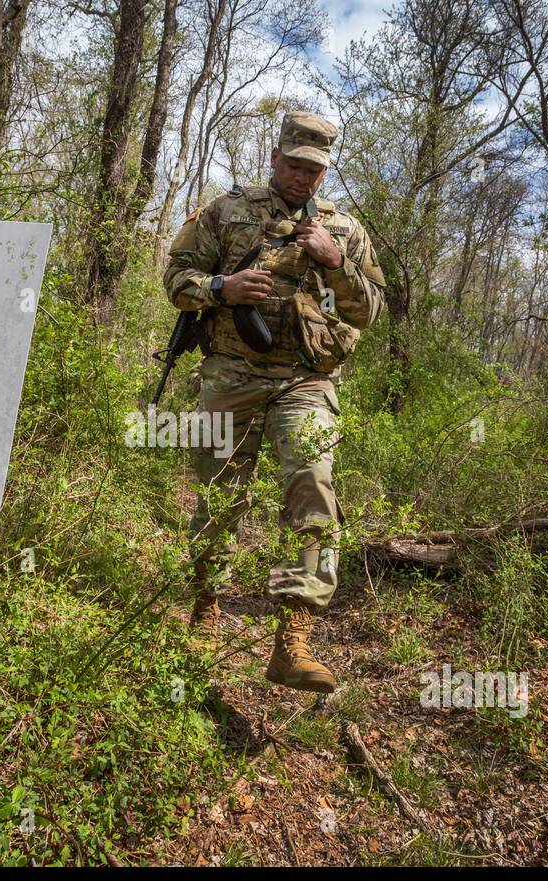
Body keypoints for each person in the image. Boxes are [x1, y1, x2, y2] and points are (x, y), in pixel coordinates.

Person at [162, 111, 386, 693]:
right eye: (294, 165)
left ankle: (294, 637)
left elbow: (371, 312)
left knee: (312, 483)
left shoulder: (345, 231)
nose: (302, 178)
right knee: (218, 498)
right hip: (231, 373)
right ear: (275, 158)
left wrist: (336, 265)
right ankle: (206, 607)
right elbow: (176, 277)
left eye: (314, 170)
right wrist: (219, 288)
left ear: (324, 171)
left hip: (304, 379)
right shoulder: (227, 211)